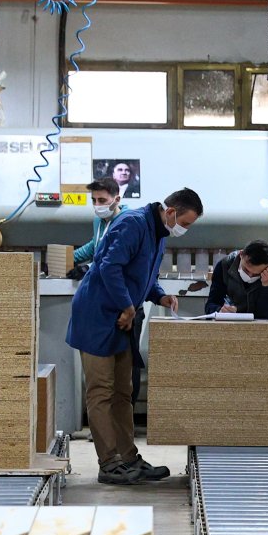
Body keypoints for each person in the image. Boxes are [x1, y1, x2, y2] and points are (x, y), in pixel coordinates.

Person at [66, 187, 203, 485]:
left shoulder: (158, 233)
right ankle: (109, 464)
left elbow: (144, 276)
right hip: (99, 316)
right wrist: (127, 306)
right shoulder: (133, 224)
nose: (185, 229)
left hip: (122, 318)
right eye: (186, 223)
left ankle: (128, 457)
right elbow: (109, 268)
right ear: (170, 212)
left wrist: (160, 296)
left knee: (123, 391)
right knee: (101, 390)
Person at [204, 240, 268, 320]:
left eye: (257, 274)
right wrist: (220, 311)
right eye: (246, 270)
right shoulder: (225, 265)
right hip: (235, 323)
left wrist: (267, 284)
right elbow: (210, 305)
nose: (250, 276)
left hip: (267, 327)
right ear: (241, 254)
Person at [68, 177, 126, 275]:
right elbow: (94, 245)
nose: (97, 205)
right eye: (94, 200)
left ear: (117, 200)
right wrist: (69, 258)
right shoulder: (98, 220)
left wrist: (88, 267)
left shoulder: (127, 223)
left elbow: (116, 257)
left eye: (102, 200)